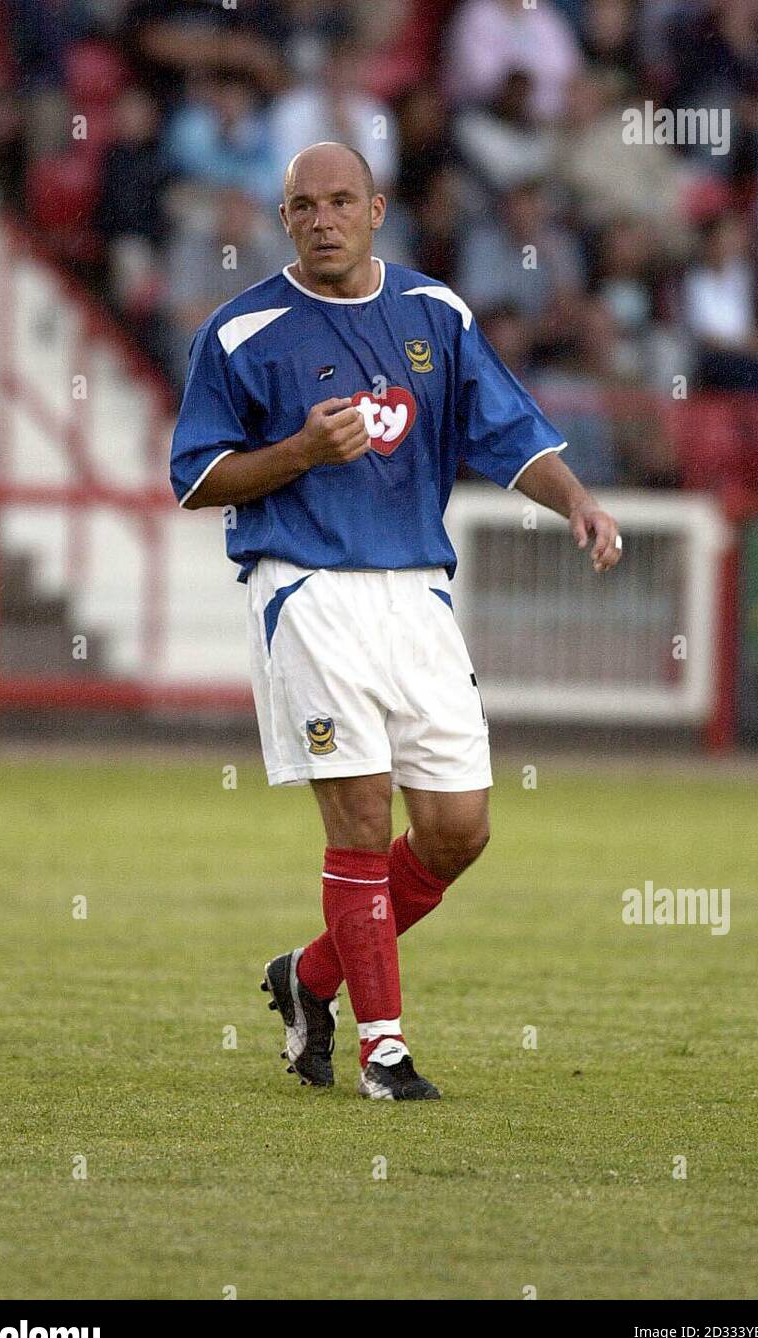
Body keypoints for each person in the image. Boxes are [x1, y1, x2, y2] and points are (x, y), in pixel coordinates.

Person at [170, 142, 621, 1101]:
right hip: (306, 587)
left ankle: (308, 975)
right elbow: (198, 478)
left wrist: (577, 500)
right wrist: (298, 451)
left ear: (377, 210)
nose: (323, 220)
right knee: (363, 819)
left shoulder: (434, 313)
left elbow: (508, 433)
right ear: (283, 219)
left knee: (457, 830)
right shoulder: (240, 331)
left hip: (416, 593)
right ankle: (383, 1052)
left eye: (341, 201)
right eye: (303, 206)